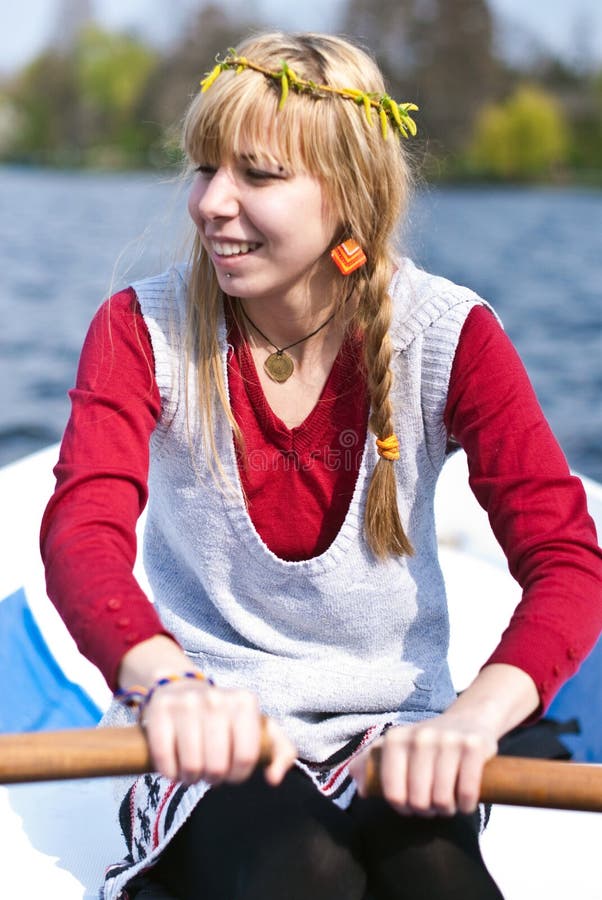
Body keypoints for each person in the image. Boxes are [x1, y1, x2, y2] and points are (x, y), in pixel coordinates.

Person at [40, 31, 602, 900]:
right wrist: (168, 684)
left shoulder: (451, 336)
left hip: (400, 729)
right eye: (203, 167)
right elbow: (83, 537)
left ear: (350, 196)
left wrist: (473, 723)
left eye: (257, 176)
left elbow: (567, 562)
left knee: (441, 881)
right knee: (301, 875)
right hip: (207, 719)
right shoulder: (137, 329)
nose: (211, 203)